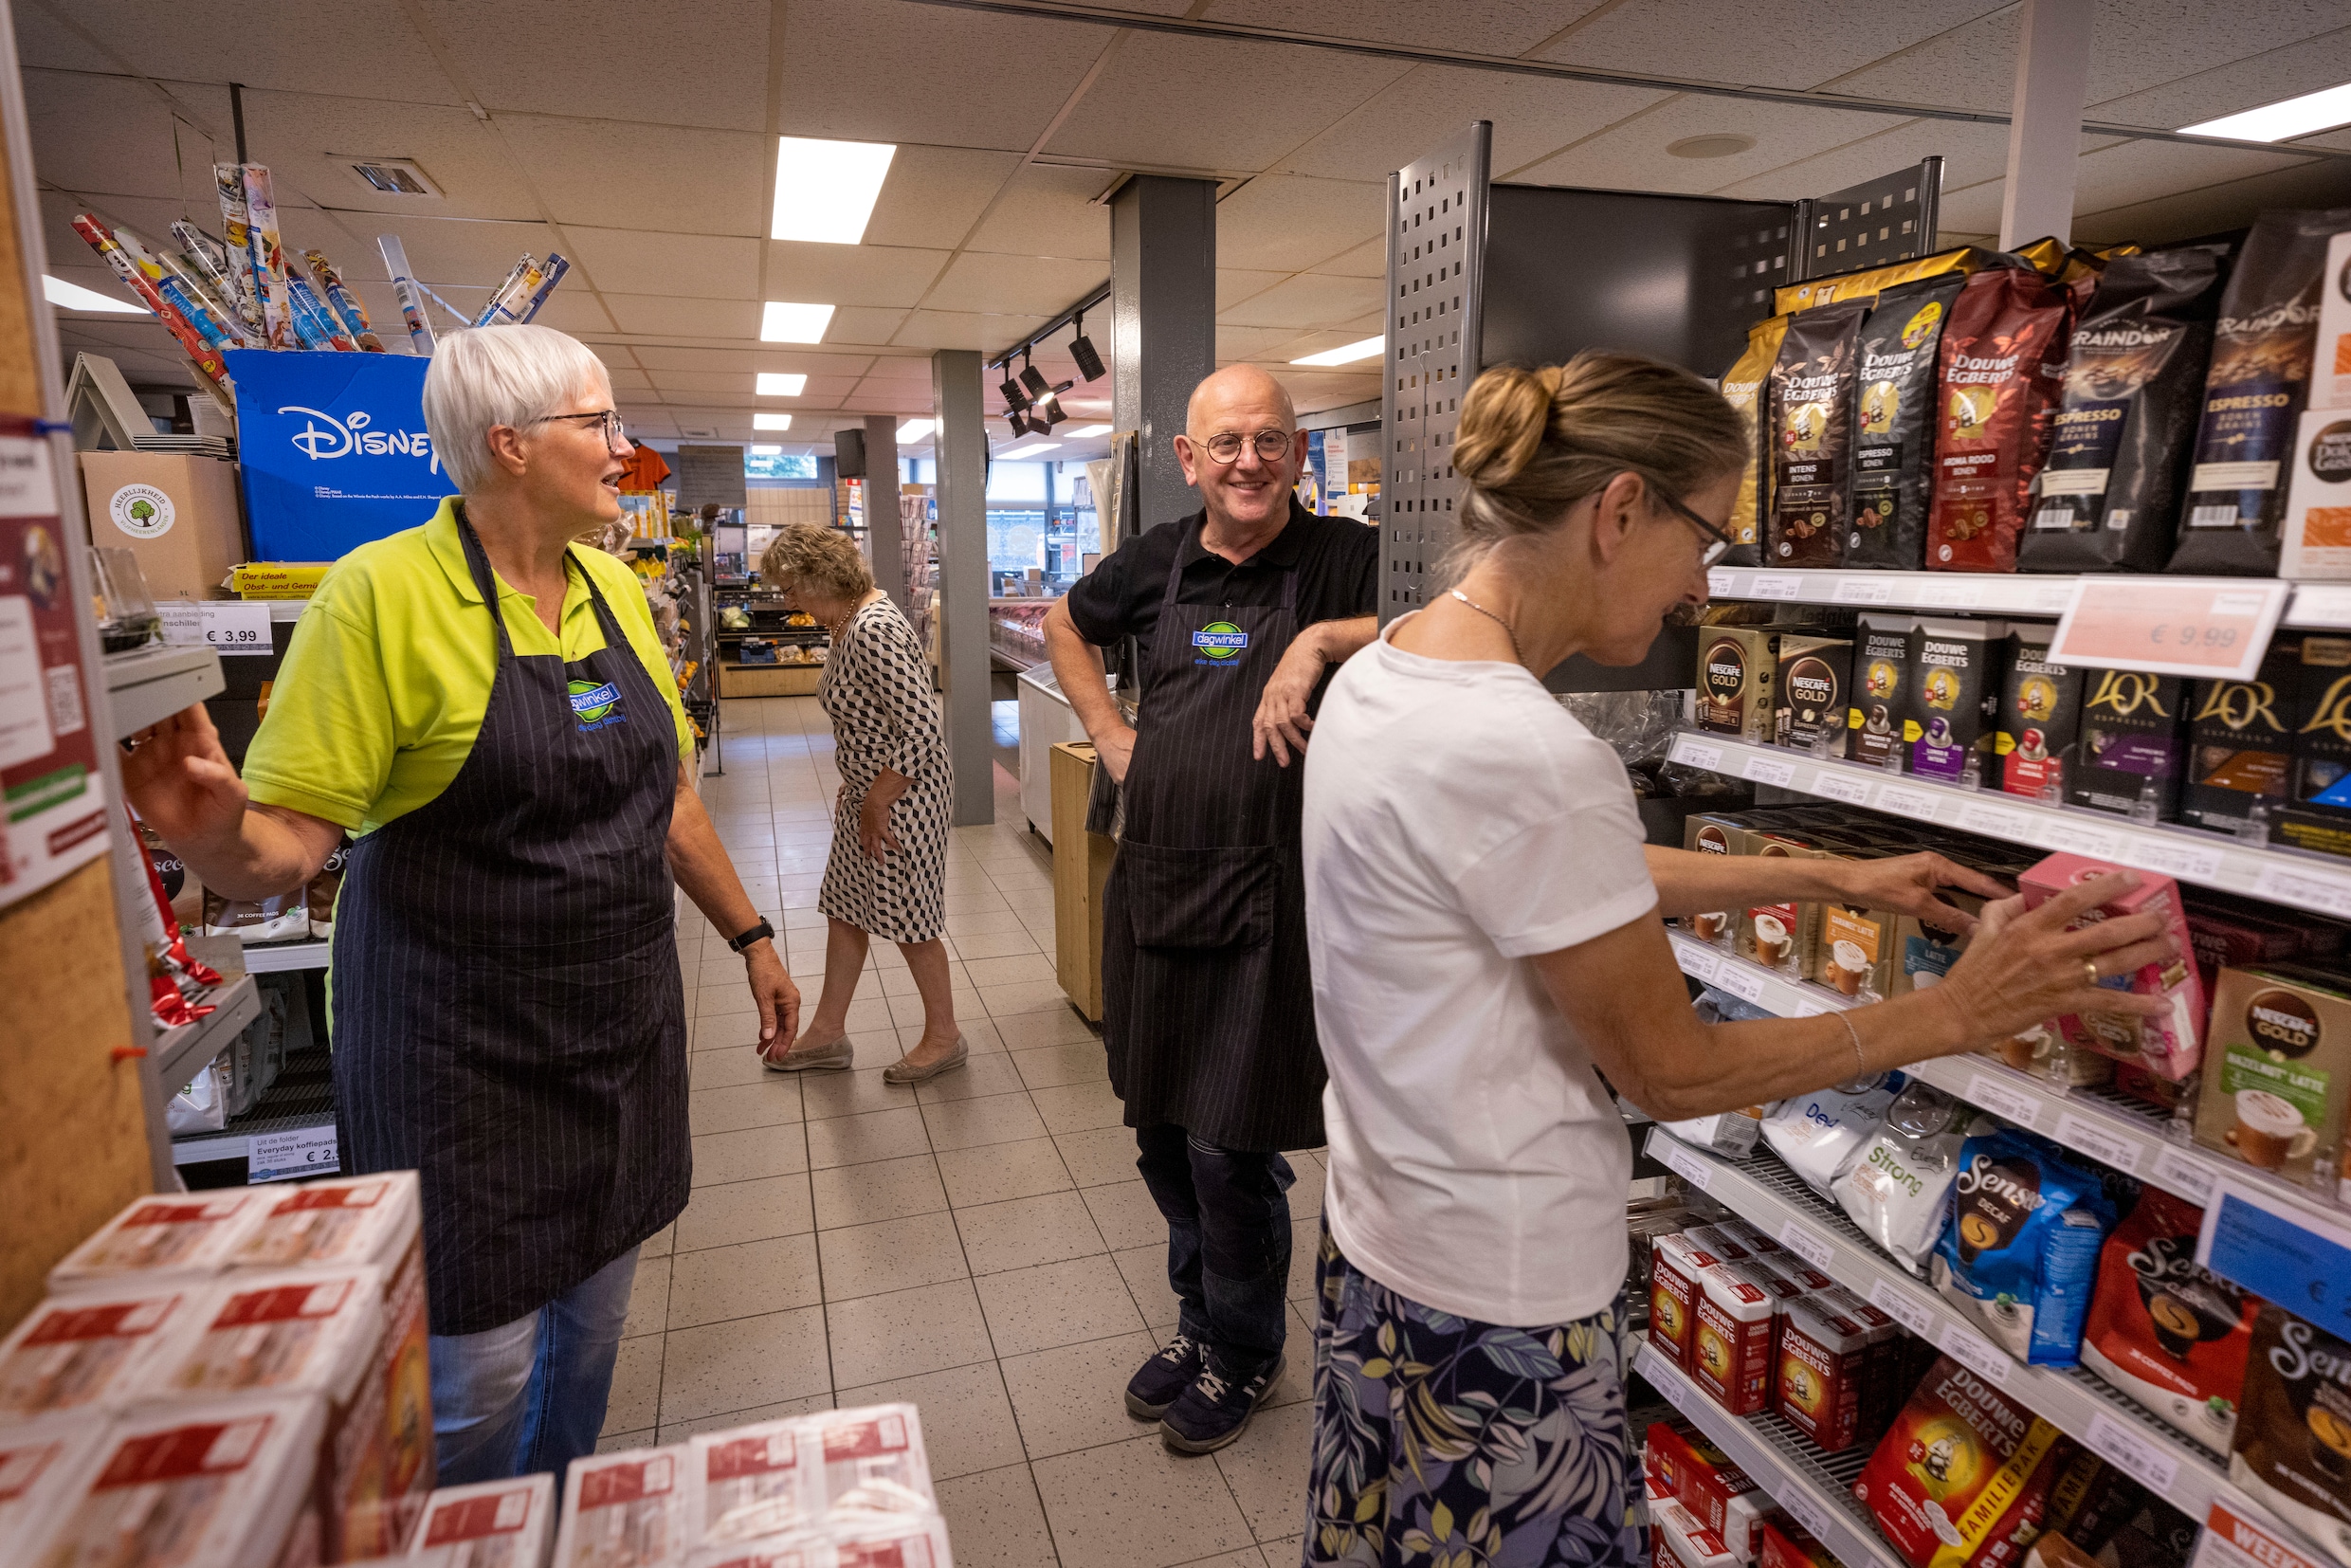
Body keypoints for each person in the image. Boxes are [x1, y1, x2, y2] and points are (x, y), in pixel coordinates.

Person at [1295, 352, 2178, 1563]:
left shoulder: (1387, 673)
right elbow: (1671, 1072)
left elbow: (1543, 886)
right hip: (1501, 1299)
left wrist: (1827, 875)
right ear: (1618, 511)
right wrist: (1956, 1012)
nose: (1700, 586)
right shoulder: (1529, 753)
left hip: (1378, 1241)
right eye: (1704, 537)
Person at [120, 324, 800, 1486]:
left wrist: (749, 934)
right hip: (455, 1054)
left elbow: (667, 795)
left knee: (589, 1330)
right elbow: (280, 852)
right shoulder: (376, 597)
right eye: (599, 424)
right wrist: (210, 830)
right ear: (512, 444)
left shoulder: (616, 592)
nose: (622, 447)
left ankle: (552, 1515)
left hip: (612, 1028)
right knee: (476, 1374)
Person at [1043, 363, 1377, 1453]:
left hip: (1267, 901)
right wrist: (1108, 733)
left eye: (1270, 441)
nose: (1248, 460)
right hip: (1155, 888)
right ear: (1188, 460)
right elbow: (1063, 624)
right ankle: (1198, 1320)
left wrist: (1318, 639)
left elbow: (1440, 627)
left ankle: (1241, 1349)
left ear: (1295, 455)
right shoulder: (1154, 562)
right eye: (1226, 442)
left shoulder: (1341, 557)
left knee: (1230, 1150)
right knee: (1159, 1132)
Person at [757, 521, 963, 1083]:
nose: (789, 600)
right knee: (847, 910)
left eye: (793, 587)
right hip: (872, 790)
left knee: (910, 917)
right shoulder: (847, 621)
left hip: (903, 798)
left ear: (822, 576)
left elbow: (922, 729)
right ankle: (827, 1034)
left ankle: (945, 1036)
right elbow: (872, 715)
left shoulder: (874, 627)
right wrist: (858, 781)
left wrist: (876, 802)